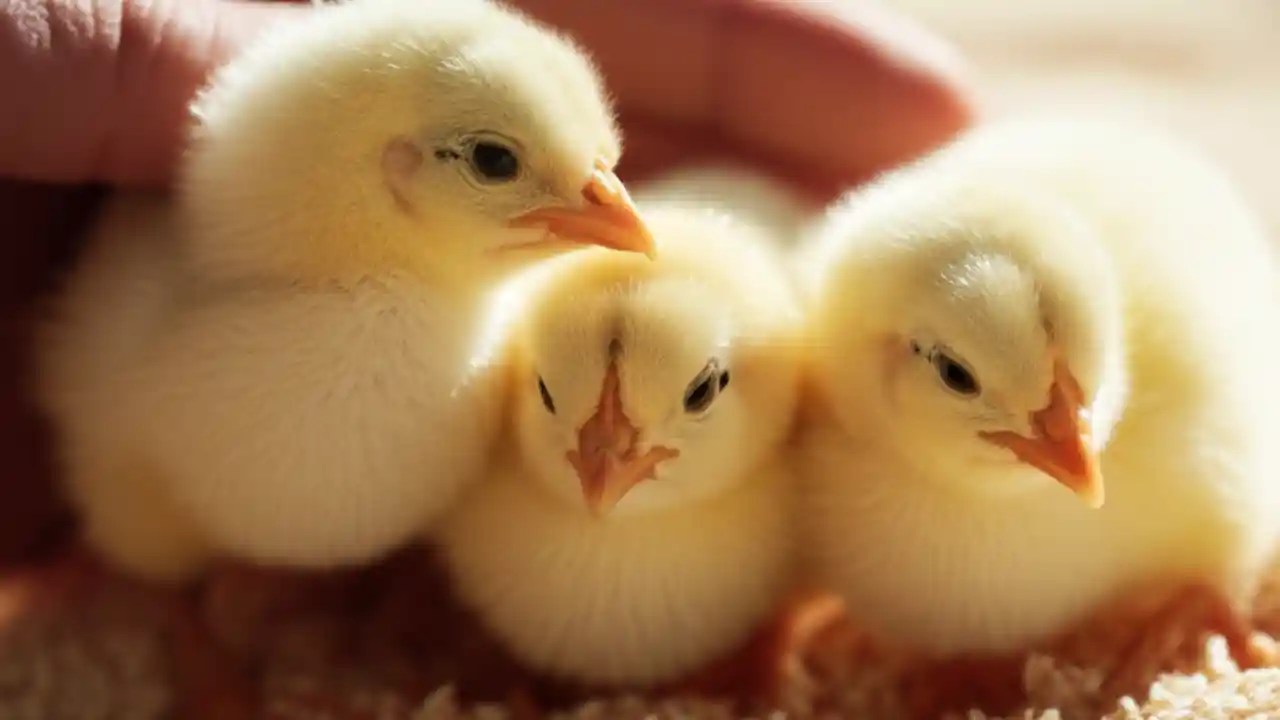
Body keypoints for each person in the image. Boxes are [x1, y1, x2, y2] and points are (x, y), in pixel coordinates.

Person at [0, 0, 974, 562]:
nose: (612, 214)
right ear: (391, 170)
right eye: (499, 163)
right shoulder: (159, 303)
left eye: (597, 168)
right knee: (149, 543)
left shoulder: (497, 332)